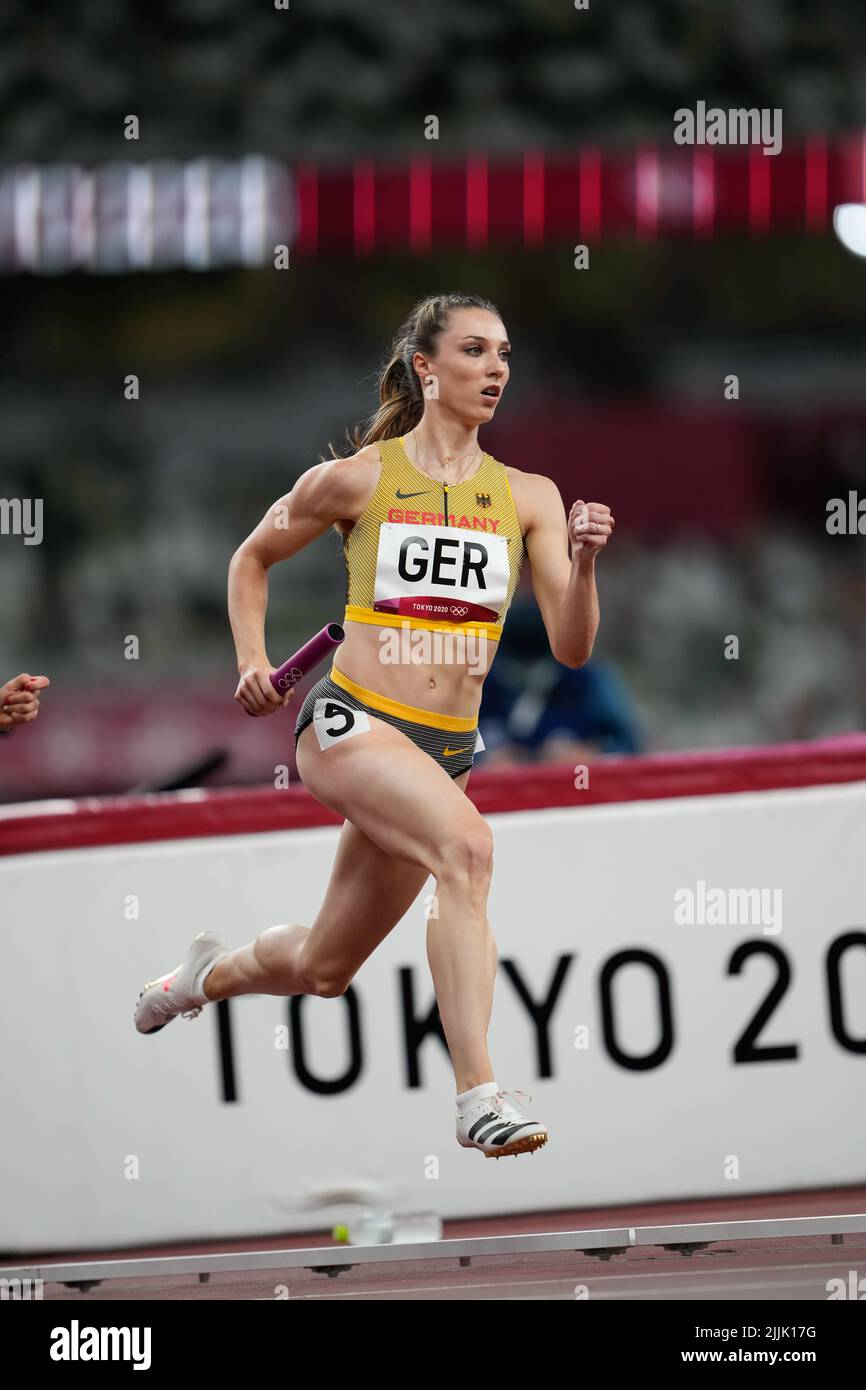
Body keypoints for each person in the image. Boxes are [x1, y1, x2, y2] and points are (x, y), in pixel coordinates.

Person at [134, 292, 615, 1159]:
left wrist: (582, 564)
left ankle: (199, 976)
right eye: (475, 351)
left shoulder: (530, 499)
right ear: (427, 370)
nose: (497, 367)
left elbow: (575, 647)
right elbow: (251, 559)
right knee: (467, 852)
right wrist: (252, 658)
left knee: (324, 969)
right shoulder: (358, 479)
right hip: (349, 722)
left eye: (505, 352)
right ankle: (478, 1097)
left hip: (444, 753)